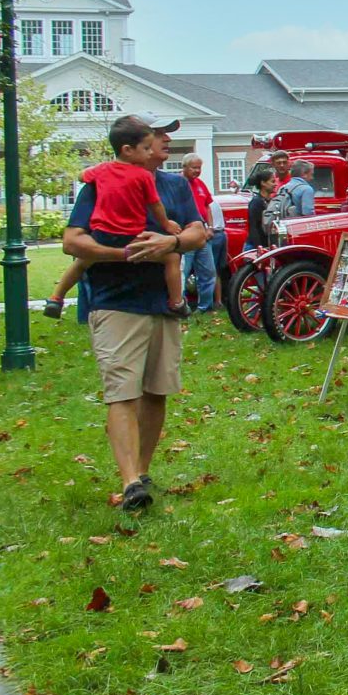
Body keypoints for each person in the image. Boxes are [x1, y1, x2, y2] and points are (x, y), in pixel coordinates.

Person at [63, 116, 209, 511]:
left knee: (156, 390)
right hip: (115, 302)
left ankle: (141, 474)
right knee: (122, 392)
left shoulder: (175, 186)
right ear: (132, 146)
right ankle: (129, 482)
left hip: (162, 303)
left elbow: (198, 232)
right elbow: (72, 241)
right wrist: (124, 253)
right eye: (157, 135)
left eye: (164, 136)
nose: (162, 142)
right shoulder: (99, 183)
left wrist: (171, 241)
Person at [44, 117, 188, 320]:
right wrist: (166, 224)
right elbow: (155, 205)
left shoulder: (102, 170)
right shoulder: (143, 175)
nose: (149, 152)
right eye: (146, 147)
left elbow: (82, 175)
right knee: (172, 258)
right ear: (128, 149)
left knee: (81, 263)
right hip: (132, 236)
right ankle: (176, 302)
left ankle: (56, 297)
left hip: (102, 234)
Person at [180, 154, 227, 313]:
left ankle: (204, 307)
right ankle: (181, 306)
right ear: (184, 167)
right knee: (183, 272)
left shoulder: (200, 184)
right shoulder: (178, 184)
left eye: (199, 168)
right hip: (186, 234)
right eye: (194, 168)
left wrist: (210, 228)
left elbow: (207, 206)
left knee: (208, 272)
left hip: (203, 234)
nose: (197, 171)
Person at [244, 164, 277, 252]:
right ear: (263, 183)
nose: (275, 184)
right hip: (255, 246)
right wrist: (258, 247)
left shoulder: (268, 201)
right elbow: (254, 226)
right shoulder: (256, 202)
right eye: (272, 181)